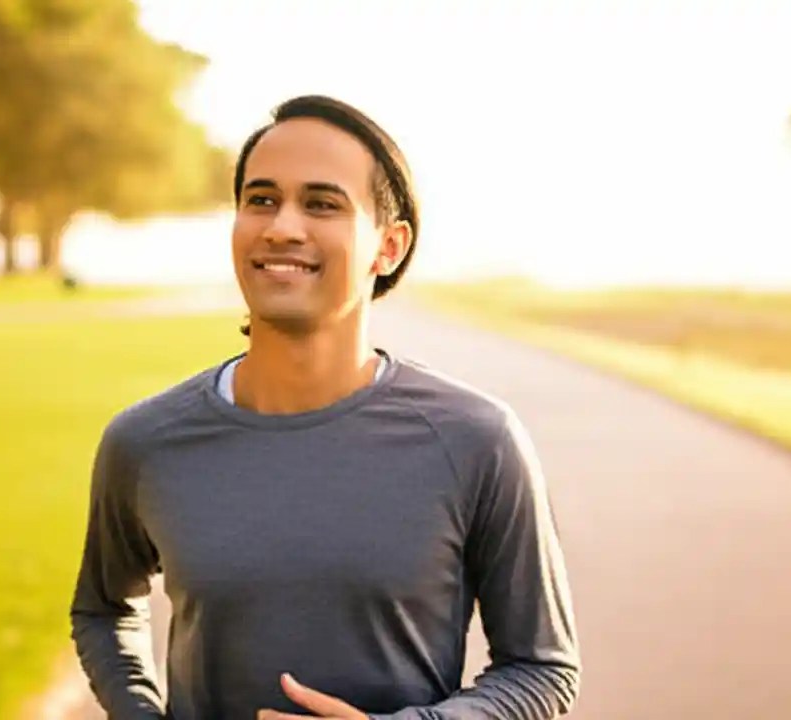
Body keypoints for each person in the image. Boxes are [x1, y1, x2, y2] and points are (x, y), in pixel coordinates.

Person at [70, 94, 580, 719]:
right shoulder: (146, 441)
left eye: (322, 204)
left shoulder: (477, 439)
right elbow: (103, 608)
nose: (282, 226)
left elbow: (541, 670)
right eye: (261, 199)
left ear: (388, 248)